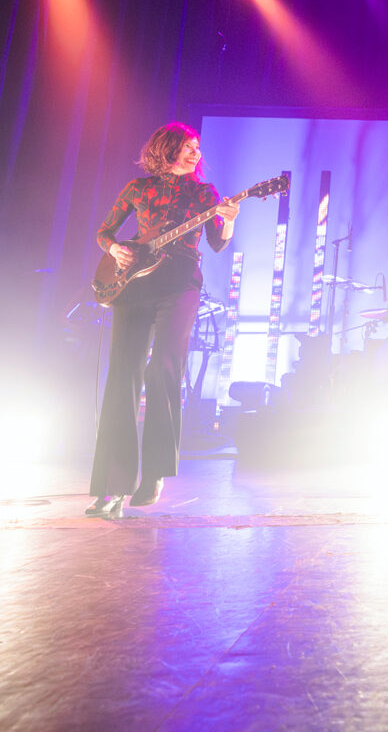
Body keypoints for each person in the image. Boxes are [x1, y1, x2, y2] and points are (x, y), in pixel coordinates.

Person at [86, 122, 240, 518]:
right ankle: (112, 488)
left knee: (163, 371)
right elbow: (105, 232)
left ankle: (155, 471)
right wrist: (116, 249)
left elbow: (218, 243)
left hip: (181, 283)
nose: (196, 153)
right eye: (188, 146)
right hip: (134, 284)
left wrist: (230, 219)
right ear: (167, 148)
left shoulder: (204, 193)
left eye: (198, 148)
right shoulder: (137, 188)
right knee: (124, 376)